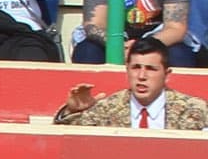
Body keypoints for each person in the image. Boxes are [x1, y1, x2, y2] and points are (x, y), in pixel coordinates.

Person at [54, 33, 208, 125]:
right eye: (136, 68)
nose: (141, 76)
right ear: (127, 70)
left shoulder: (196, 110)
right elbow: (65, 143)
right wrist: (71, 111)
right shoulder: (107, 108)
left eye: (151, 69)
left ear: (166, 74)